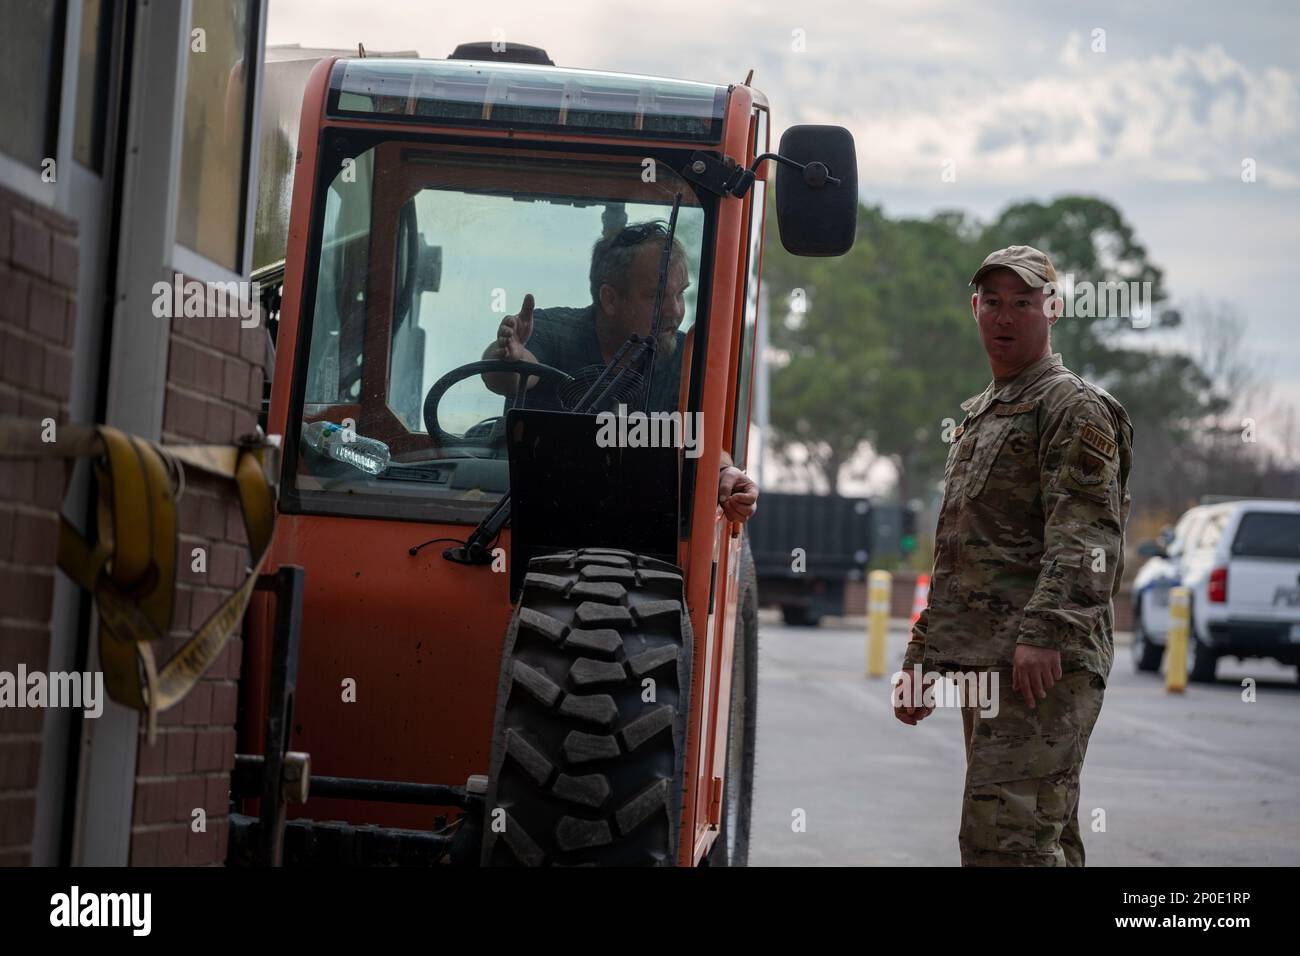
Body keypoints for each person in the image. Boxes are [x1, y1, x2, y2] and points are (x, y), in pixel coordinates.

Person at [893, 244, 1133, 866]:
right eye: (992, 303)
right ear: (974, 308)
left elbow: (1085, 537)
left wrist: (1046, 633)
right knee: (1036, 839)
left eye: (1022, 303)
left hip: (1041, 667)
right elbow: (960, 553)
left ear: (1051, 310)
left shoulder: (1071, 408)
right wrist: (923, 657)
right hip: (990, 665)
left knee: (1005, 845)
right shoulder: (987, 413)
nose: (1004, 317)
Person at [481, 221, 758, 524]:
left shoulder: (687, 358)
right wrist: (509, 357)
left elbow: (701, 442)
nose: (676, 311)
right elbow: (509, 376)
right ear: (610, 299)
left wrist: (725, 473)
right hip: (527, 520)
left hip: (638, 534)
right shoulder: (553, 332)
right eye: (656, 297)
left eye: (680, 294)